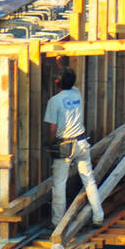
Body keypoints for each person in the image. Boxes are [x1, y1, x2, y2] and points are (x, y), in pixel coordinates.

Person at [44, 66, 104, 227]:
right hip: (82, 143)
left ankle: (58, 223)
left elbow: (52, 128)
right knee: (89, 180)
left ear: (57, 82)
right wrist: (60, 64)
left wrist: (50, 144)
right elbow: (69, 81)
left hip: (64, 146)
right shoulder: (77, 94)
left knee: (59, 185)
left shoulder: (54, 101)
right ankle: (98, 216)